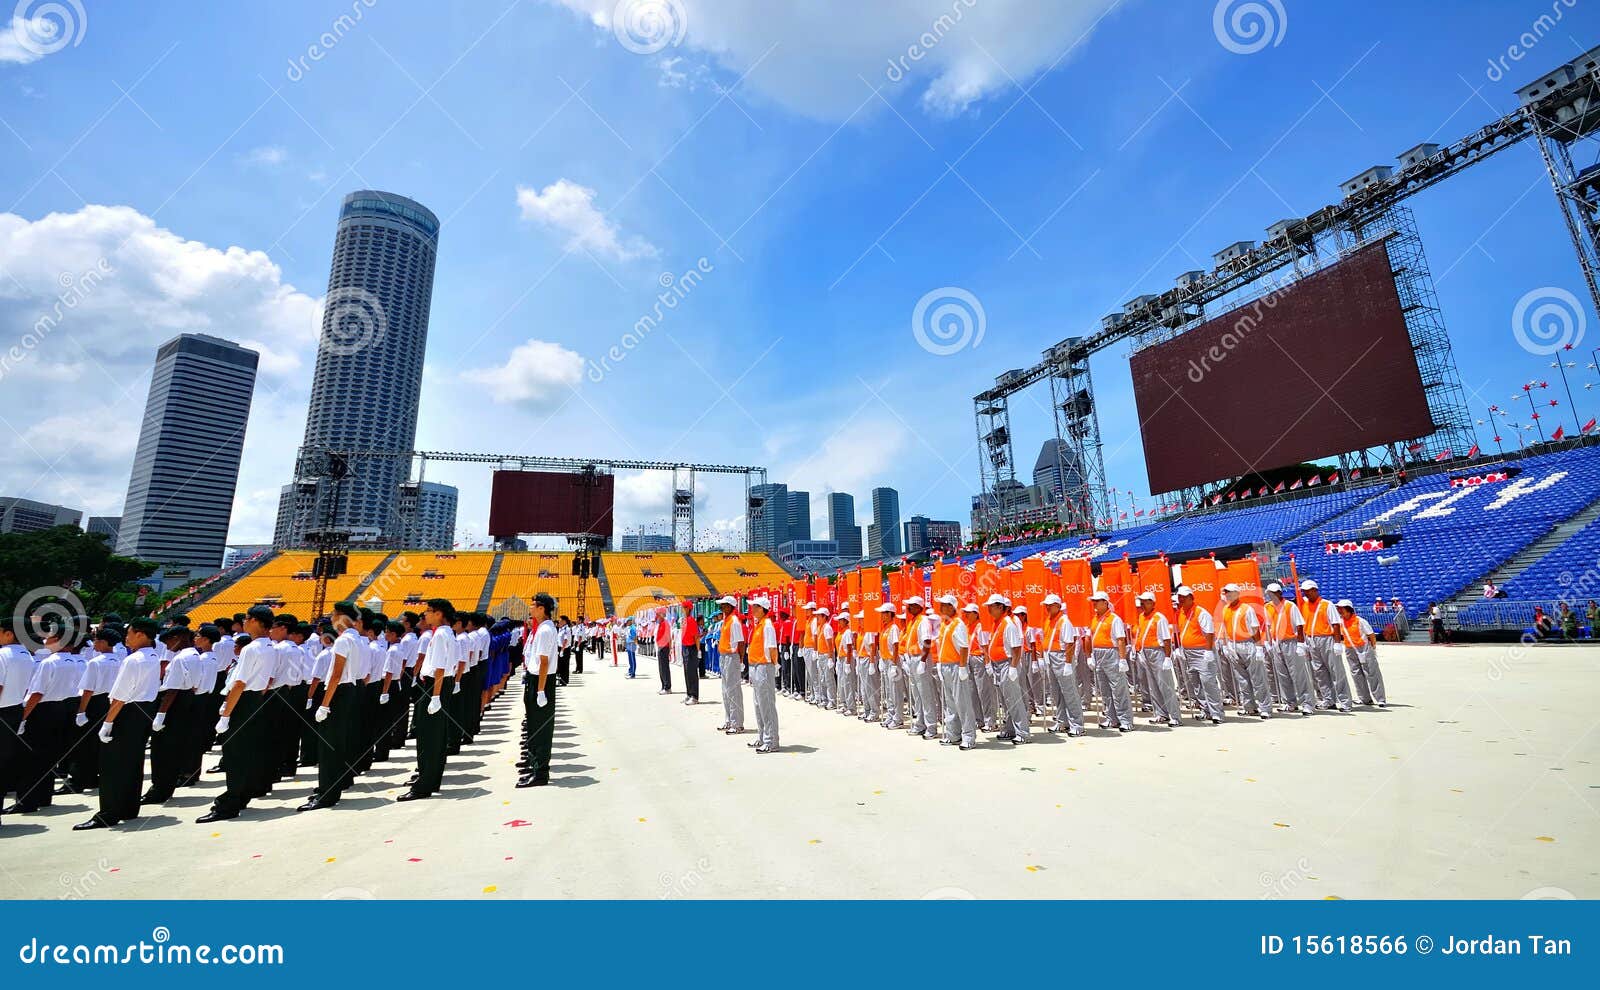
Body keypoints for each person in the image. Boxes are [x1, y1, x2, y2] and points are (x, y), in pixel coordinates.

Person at [77, 617, 162, 830]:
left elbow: (120, 695)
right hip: (143, 712)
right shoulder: (153, 656)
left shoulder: (133, 659)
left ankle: (109, 812)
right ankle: (128, 807)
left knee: (112, 765)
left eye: (130, 633)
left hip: (126, 712)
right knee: (132, 762)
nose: (127, 637)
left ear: (141, 634)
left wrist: (108, 722)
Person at [198, 606, 276, 823]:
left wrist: (226, 714)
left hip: (243, 700)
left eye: (248, 618)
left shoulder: (251, 648)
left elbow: (240, 683)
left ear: (257, 621)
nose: (245, 621)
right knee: (246, 751)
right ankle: (241, 795)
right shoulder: (270, 647)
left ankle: (230, 802)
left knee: (234, 753)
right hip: (255, 700)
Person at [401, 598, 458, 801]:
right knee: (435, 737)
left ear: (440, 614)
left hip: (435, 685)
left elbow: (441, 666)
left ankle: (423, 784)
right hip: (439, 684)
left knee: (428, 737)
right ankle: (430, 779)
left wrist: (435, 696)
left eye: (429, 610)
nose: (425, 614)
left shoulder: (442, 635)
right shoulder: (446, 633)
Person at [516, 592, 561, 788]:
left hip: (542, 681)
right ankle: (535, 766)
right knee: (534, 725)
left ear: (542, 608)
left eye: (533, 605)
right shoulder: (541, 628)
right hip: (536, 680)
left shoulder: (545, 630)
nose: (530, 608)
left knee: (540, 728)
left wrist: (541, 690)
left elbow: (544, 662)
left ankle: (541, 771)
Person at [1300, 580, 1355, 713]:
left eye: (1308, 590)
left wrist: (1337, 643)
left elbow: (1336, 624)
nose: (1306, 593)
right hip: (1311, 640)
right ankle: (1328, 699)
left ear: (1315, 590)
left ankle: (1345, 701)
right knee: (1319, 672)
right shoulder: (1305, 605)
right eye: (1304, 591)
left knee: (1336, 671)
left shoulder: (1327, 604)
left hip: (1326, 640)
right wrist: (1304, 643)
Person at [1219, 583, 1271, 720]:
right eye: (1226, 593)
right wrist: (1225, 645)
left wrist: (1259, 647)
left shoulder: (1246, 609)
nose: (1227, 595)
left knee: (1258, 678)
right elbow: (1225, 628)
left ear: (1237, 593)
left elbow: (1255, 629)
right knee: (1242, 679)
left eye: (1230, 592)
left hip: (1248, 645)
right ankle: (1249, 707)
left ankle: (1265, 708)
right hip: (1233, 645)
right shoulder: (1225, 609)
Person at [1264, 583, 1316, 716]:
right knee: (1282, 675)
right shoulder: (1267, 607)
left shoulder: (1290, 606)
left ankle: (1307, 704)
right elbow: (1268, 626)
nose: (1272, 595)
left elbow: (1299, 626)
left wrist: (1300, 644)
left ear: (1280, 593)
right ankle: (1290, 703)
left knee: (1298, 674)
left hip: (1290, 642)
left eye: (1275, 593)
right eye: (1270, 593)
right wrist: (1269, 642)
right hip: (1276, 643)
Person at [1174, 586, 1224, 725]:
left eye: (1184, 597)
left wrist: (1208, 651)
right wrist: (1180, 648)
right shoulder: (1181, 613)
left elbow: (1209, 632)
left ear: (1191, 597)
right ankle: (1205, 710)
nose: (1181, 599)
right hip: (1189, 653)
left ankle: (1217, 712)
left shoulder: (1201, 612)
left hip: (1202, 652)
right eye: (1179, 597)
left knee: (1208, 682)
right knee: (1196, 683)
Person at [984, 593, 1030, 744]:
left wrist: (1013, 667)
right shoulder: (997, 623)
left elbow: (1017, 648)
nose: (989, 610)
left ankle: (1022, 732)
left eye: (991, 607)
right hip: (999, 665)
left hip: (1007, 664)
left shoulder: (1008, 624)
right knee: (1006, 700)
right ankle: (1010, 729)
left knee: (1013, 699)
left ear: (1000, 607)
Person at [1086, 591, 1133, 733]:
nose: (1094, 603)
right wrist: (1090, 655)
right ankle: (1112, 717)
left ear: (1105, 602)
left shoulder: (1114, 619)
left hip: (1111, 654)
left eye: (1097, 601)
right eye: (1093, 601)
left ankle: (1125, 720)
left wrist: (1122, 659)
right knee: (1104, 689)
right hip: (1098, 654)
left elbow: (1120, 640)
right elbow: (1090, 637)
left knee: (1118, 688)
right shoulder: (1094, 618)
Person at [933, 594, 976, 750]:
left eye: (944, 605)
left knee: (962, 702)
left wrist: (963, 667)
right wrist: (940, 663)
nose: (940, 608)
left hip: (956, 666)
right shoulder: (945, 624)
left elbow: (964, 647)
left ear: (951, 607)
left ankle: (969, 736)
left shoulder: (958, 624)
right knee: (950, 703)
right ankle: (953, 735)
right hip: (946, 666)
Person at [1132, 591, 1180, 728]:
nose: (1142, 604)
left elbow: (1166, 639)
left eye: (1146, 601)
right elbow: (1141, 634)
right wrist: (1139, 651)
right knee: (1153, 685)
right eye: (1141, 601)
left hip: (1158, 652)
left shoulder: (1159, 618)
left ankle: (1175, 716)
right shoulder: (1141, 617)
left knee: (1165, 685)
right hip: (1146, 652)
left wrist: (1167, 657)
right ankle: (1160, 713)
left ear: (1153, 603)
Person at [1335, 600, 1387, 707]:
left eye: (1342, 608)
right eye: (1339, 608)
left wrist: (1373, 648)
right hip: (1350, 649)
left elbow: (1371, 635)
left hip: (1364, 648)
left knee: (1372, 673)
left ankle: (1380, 698)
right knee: (1356, 674)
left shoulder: (1360, 621)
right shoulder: (1340, 622)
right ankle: (1364, 698)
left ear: (1349, 609)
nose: (1340, 611)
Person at [744, 596, 780, 753]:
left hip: (764, 667)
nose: (752, 609)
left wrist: (775, 664)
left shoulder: (767, 626)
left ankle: (771, 740)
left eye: (755, 606)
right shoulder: (759, 625)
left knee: (766, 705)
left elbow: (772, 648)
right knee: (759, 704)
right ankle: (762, 736)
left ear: (762, 608)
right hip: (756, 667)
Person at [714, 596, 745, 734]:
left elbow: (741, 642)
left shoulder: (734, 621)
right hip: (724, 656)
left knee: (733, 691)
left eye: (724, 605)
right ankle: (729, 720)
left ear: (730, 606)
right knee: (725, 691)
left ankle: (736, 723)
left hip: (732, 657)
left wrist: (741, 660)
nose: (722, 608)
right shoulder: (726, 620)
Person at [680, 605, 701, 705]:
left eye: (684, 608)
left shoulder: (691, 620)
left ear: (688, 609)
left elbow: (696, 636)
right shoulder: (684, 620)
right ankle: (689, 694)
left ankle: (694, 696)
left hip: (691, 648)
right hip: (685, 647)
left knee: (692, 672)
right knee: (686, 672)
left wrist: (698, 650)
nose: (682, 610)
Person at [654, 610, 673, 695]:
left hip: (664, 647)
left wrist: (670, 649)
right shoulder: (660, 624)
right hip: (660, 647)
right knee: (661, 668)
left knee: (665, 668)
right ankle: (663, 686)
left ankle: (667, 687)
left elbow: (669, 637)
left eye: (658, 615)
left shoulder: (665, 624)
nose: (656, 616)